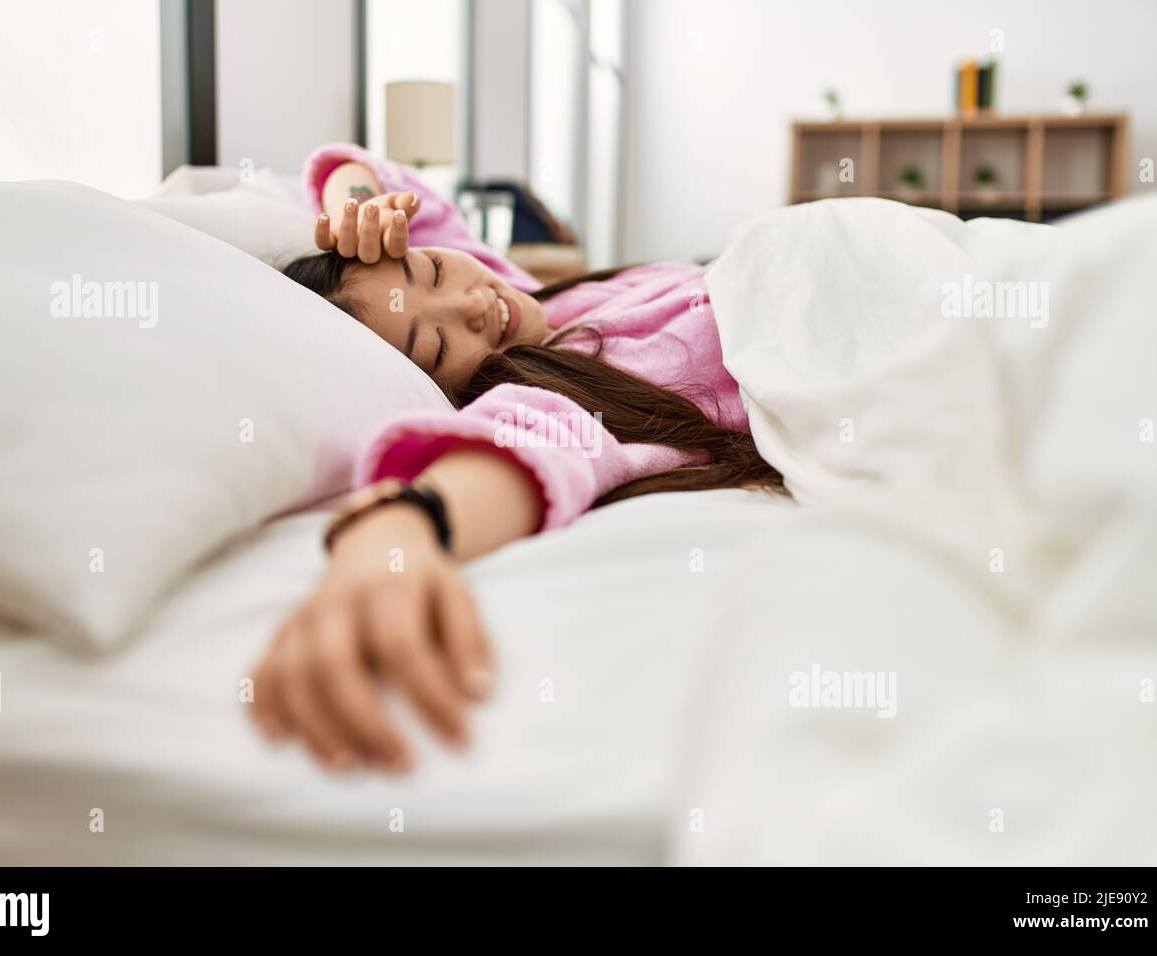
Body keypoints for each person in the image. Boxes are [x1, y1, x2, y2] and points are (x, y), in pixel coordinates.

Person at [249, 143, 784, 774]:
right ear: (441, 392)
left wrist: (360, 214)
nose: (473, 304)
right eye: (441, 343)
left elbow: (353, 168)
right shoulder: (555, 391)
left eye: (432, 271)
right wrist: (402, 523)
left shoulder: (516, 293)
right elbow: (522, 441)